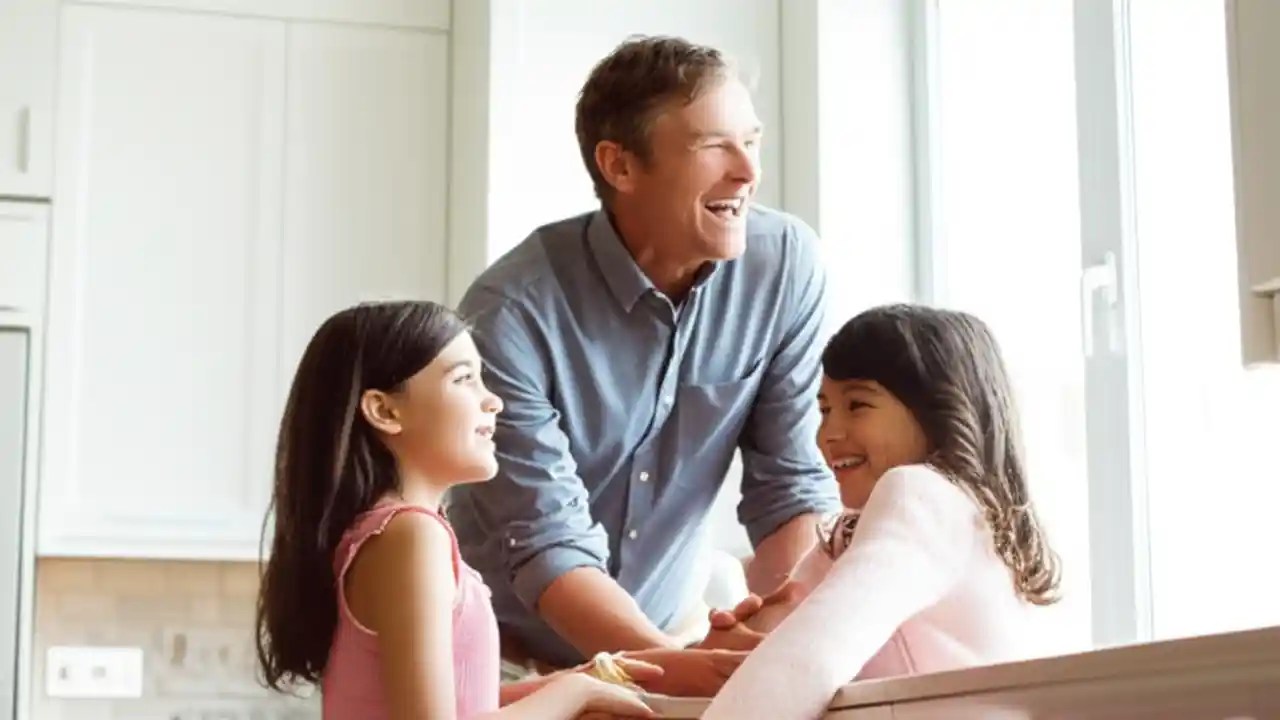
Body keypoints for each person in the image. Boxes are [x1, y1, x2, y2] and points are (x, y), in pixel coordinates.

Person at [447, 34, 842, 694]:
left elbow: (791, 489)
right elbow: (548, 544)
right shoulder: (510, 312)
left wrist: (787, 649)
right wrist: (680, 675)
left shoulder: (785, 268)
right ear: (620, 166)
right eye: (714, 146)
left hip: (670, 635)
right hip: (509, 670)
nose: (749, 170)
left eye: (753, 139)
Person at [253, 300, 662, 719]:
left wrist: (573, 681)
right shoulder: (409, 536)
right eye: (464, 379)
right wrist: (573, 692)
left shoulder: (393, 534)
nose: (493, 402)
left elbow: (463, 704)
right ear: (384, 411)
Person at [701, 304, 1064, 719]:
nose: (828, 435)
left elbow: (810, 654)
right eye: (824, 410)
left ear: (937, 410)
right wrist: (728, 651)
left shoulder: (924, 495)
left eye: (857, 405)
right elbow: (779, 647)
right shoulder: (864, 532)